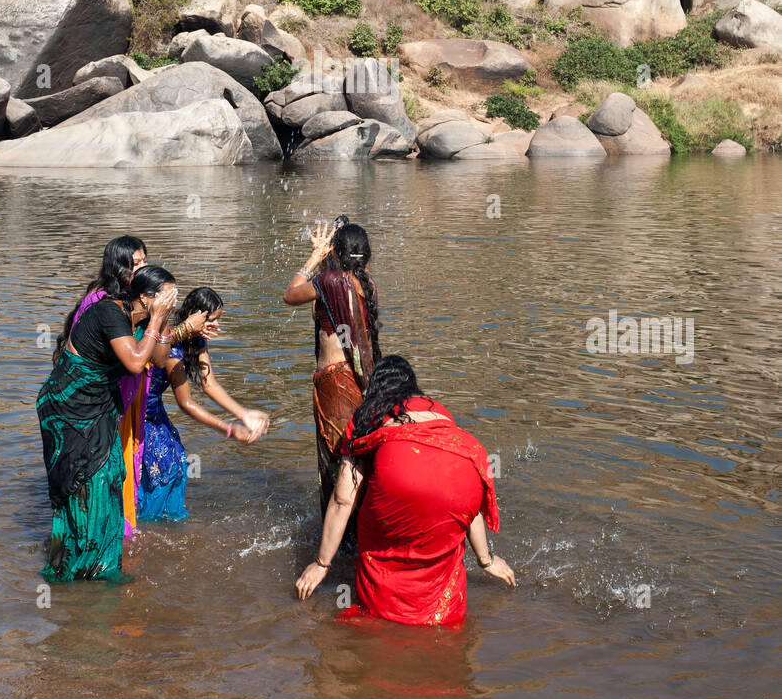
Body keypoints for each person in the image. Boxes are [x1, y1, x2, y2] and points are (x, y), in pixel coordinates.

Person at [295, 356, 516, 625]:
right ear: (412, 385)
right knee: (442, 552)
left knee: (381, 554)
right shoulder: (438, 410)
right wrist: (486, 560)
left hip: (404, 477)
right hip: (468, 474)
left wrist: (321, 563)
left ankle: (383, 625)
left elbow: (344, 499)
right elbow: (461, 499)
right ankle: (441, 623)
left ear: (375, 388)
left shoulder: (367, 415)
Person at [37, 265, 177, 581]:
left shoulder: (143, 322)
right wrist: (156, 318)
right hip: (68, 409)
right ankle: (64, 565)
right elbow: (135, 363)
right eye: (167, 296)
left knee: (111, 478)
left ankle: (101, 567)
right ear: (145, 297)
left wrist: (163, 320)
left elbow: (157, 359)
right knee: (78, 487)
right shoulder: (109, 312)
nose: (172, 301)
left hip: (99, 409)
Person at [137, 286, 270, 522]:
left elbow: (209, 385)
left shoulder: (196, 340)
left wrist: (244, 414)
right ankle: (144, 525)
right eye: (212, 320)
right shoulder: (173, 346)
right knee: (165, 469)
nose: (216, 327)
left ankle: (167, 525)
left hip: (155, 409)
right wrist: (229, 430)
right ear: (194, 316)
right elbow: (185, 403)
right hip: (138, 412)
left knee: (178, 462)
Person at [283, 219, 381, 517]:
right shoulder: (368, 285)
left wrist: (314, 256)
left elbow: (290, 295)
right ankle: (357, 525)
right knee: (356, 455)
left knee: (337, 458)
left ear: (335, 254)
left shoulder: (329, 282)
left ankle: (336, 532)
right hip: (362, 380)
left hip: (335, 382)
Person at [54, 235, 149, 540]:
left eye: (146, 261)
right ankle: (96, 537)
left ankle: (116, 532)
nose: (143, 268)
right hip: (98, 399)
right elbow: (127, 357)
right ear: (119, 267)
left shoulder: (135, 297)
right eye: (136, 264)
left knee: (114, 468)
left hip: (123, 394)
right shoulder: (102, 301)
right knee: (98, 471)